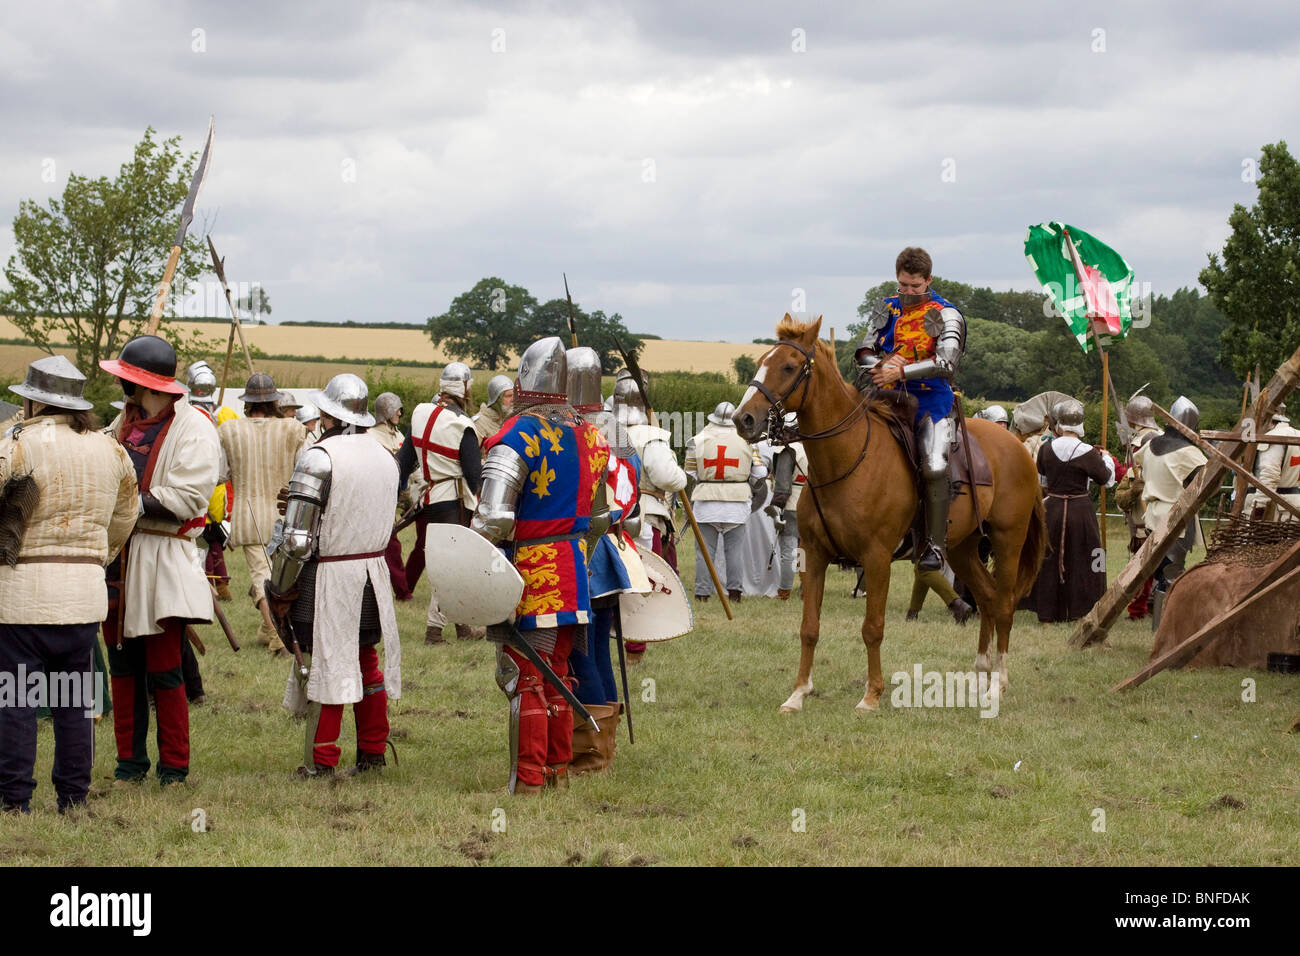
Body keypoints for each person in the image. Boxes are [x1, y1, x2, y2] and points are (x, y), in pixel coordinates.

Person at [471, 337, 610, 794]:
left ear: (523, 380)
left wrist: (473, 564)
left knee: (524, 674)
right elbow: (601, 518)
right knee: (557, 670)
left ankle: (528, 779)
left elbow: (492, 518)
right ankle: (556, 771)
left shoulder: (517, 435)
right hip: (575, 569)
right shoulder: (592, 435)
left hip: (532, 571)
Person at [0, 357, 137, 813]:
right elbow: (125, 517)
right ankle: (73, 797)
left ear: (34, 399)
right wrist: (95, 560)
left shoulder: (16, 443)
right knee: (74, 702)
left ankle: (14, 798)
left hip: (20, 597)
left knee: (17, 700)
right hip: (82, 597)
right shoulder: (110, 449)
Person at [266, 374, 401, 778]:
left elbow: (297, 542)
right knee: (365, 660)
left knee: (328, 662)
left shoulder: (320, 457)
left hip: (330, 578)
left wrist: (281, 587)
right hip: (372, 575)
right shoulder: (385, 454)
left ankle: (322, 761)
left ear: (328, 412)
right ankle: (373, 752)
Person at [100, 335, 220, 787]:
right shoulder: (122, 421)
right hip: (118, 557)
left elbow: (188, 498)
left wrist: (125, 503)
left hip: (160, 557)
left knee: (166, 667)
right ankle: (129, 763)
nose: (127, 391)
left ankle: (174, 767)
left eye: (131, 382)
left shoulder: (195, 429)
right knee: (123, 664)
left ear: (145, 385)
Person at [854, 247, 967, 572]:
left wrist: (903, 371)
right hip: (885, 399)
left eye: (914, 286)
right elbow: (863, 351)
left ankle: (935, 544)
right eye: (903, 285)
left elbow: (947, 362)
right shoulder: (886, 307)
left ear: (929, 279)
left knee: (933, 465)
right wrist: (884, 363)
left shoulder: (947, 314)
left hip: (931, 401)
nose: (907, 292)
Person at [564, 348, 639, 773]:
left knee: (581, 653)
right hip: (612, 553)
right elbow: (634, 489)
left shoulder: (570, 430)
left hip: (585, 552)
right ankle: (604, 743)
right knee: (598, 649)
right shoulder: (616, 428)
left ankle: (592, 748)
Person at [218, 373, 308, 655]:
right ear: (274, 401)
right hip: (285, 514)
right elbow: (302, 470)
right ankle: (272, 631)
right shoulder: (293, 429)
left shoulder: (229, 430)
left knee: (261, 576)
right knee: (282, 577)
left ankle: (275, 634)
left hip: (248, 514)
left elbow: (220, 474)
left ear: (247, 402)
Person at [397, 364, 483, 643]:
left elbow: (405, 459)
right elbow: (473, 475)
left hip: (430, 497)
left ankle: (461, 627)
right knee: (451, 566)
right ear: (465, 387)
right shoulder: (463, 425)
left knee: (450, 564)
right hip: (455, 502)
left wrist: (398, 490)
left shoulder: (421, 413)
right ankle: (434, 630)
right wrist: (481, 503)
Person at [611, 369, 686, 662]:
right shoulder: (650, 436)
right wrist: (682, 478)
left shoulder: (600, 428)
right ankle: (635, 649)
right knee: (643, 583)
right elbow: (666, 476)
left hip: (609, 516)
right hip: (642, 517)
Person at [1028, 398, 1115, 623]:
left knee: (1048, 558)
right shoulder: (1088, 452)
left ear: (1060, 423)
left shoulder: (1046, 448)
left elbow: (1042, 482)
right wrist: (1106, 458)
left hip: (1053, 510)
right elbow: (1106, 480)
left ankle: (1047, 614)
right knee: (1086, 559)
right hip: (1081, 512)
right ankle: (1080, 612)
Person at [1134, 396, 1207, 627]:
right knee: (1171, 574)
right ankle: (1165, 628)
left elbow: (1138, 462)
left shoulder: (1150, 445)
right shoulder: (1188, 453)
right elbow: (1205, 482)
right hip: (1175, 516)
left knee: (1161, 572)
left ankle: (1163, 626)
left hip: (1152, 515)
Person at [684, 401, 766, 603]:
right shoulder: (748, 442)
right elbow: (761, 473)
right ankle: (735, 594)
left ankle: (702, 594)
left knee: (704, 553)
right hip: (737, 504)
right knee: (735, 552)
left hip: (706, 502)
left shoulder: (697, 441)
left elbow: (689, 475)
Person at [187, 362, 236, 603]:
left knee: (201, 537)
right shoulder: (223, 415)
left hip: (198, 487)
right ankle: (217, 583)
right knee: (211, 537)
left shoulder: (185, 415)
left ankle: (207, 585)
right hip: (216, 488)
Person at [1113, 395, 1161, 619]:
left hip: (1144, 507)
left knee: (1143, 558)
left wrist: (1113, 465)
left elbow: (1131, 476)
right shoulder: (1160, 436)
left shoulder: (1143, 441)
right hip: (1156, 502)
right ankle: (1149, 603)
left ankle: (1139, 607)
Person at [369, 392, 411, 600]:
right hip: (375, 499)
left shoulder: (398, 436)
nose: (400, 413)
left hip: (393, 498)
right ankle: (402, 591)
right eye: (396, 409)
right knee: (391, 547)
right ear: (386, 411)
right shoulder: (371, 436)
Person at [767, 413, 808, 601]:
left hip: (792, 503)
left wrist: (776, 507)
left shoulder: (789, 450)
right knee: (804, 550)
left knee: (790, 551)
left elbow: (783, 485)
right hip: (811, 504)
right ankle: (806, 588)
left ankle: (784, 591)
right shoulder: (813, 448)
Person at [1244, 403, 1300, 521]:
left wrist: (1259, 509)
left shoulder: (1272, 437)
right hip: (1293, 504)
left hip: (1274, 509)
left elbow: (1269, 476)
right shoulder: (1297, 433)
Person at [473, 374, 514, 444]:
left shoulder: (512, 420)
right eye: (508, 396)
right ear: (497, 400)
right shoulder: (479, 423)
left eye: (514, 395)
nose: (513, 399)